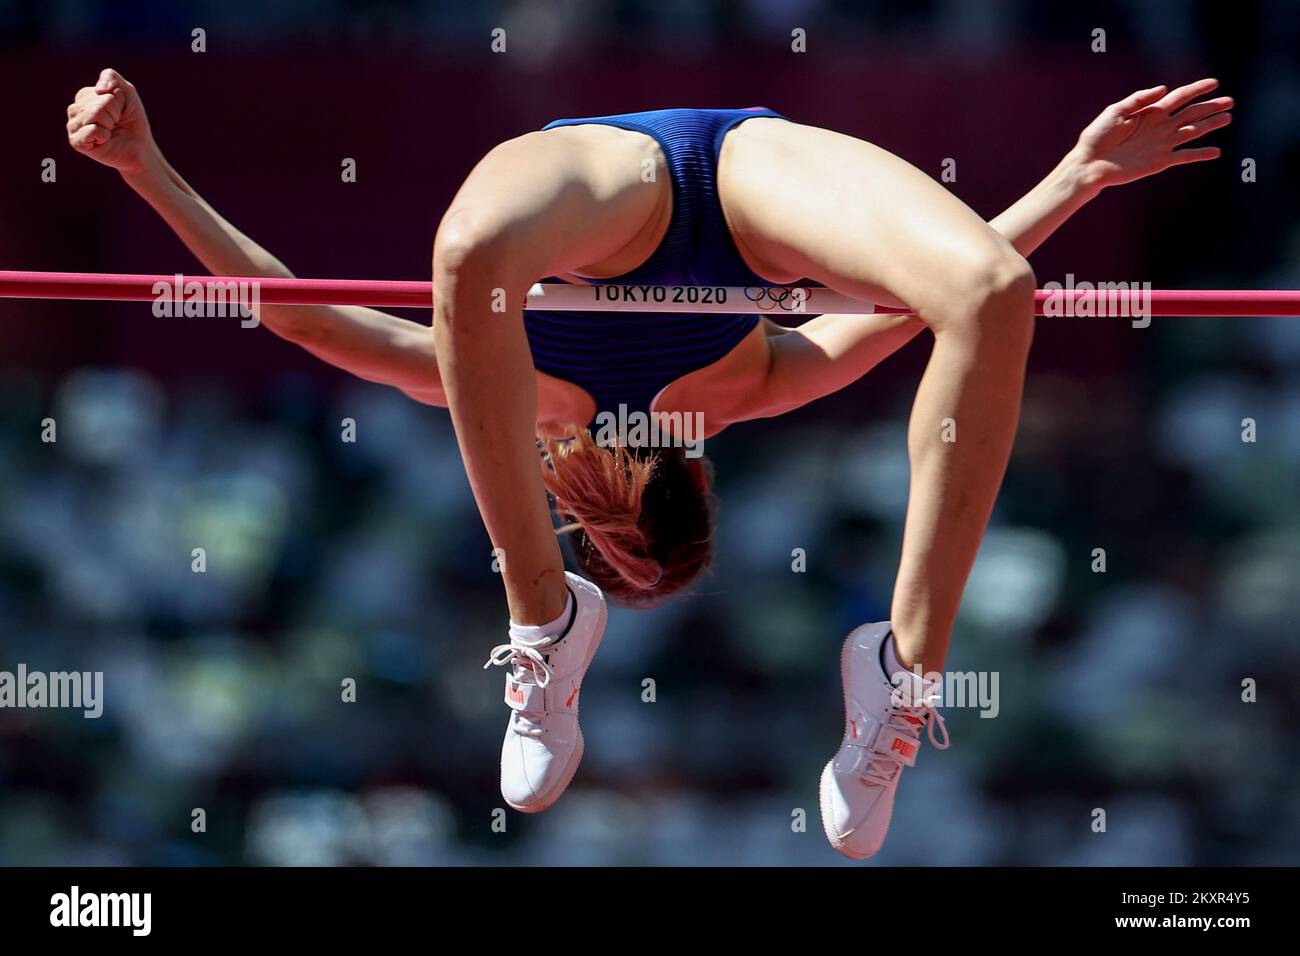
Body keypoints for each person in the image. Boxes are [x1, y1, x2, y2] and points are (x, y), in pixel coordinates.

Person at [66, 69, 1231, 858]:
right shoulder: (734, 387)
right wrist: (1077, 177)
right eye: (607, 551)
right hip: (736, 180)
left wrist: (149, 171)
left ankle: (546, 628)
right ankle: (900, 672)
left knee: (470, 256)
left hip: (627, 185)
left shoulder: (539, 399)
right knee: (989, 292)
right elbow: (958, 292)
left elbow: (303, 317)